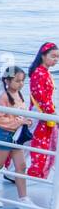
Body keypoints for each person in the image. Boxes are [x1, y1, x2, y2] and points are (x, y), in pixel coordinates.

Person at [0, 65, 37, 209]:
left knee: (21, 166)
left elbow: (22, 113)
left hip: (15, 136)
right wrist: (19, 121)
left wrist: (27, 120)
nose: (21, 84)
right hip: (4, 134)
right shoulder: (4, 98)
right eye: (17, 81)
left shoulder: (19, 95)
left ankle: (23, 198)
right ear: (7, 81)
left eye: (22, 81)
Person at [26, 42, 59, 181]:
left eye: (57, 57)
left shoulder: (43, 72)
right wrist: (51, 114)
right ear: (43, 56)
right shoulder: (40, 73)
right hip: (40, 114)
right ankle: (29, 171)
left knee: (30, 142)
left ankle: (15, 170)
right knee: (34, 142)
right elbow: (41, 97)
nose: (56, 59)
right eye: (53, 56)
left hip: (42, 113)